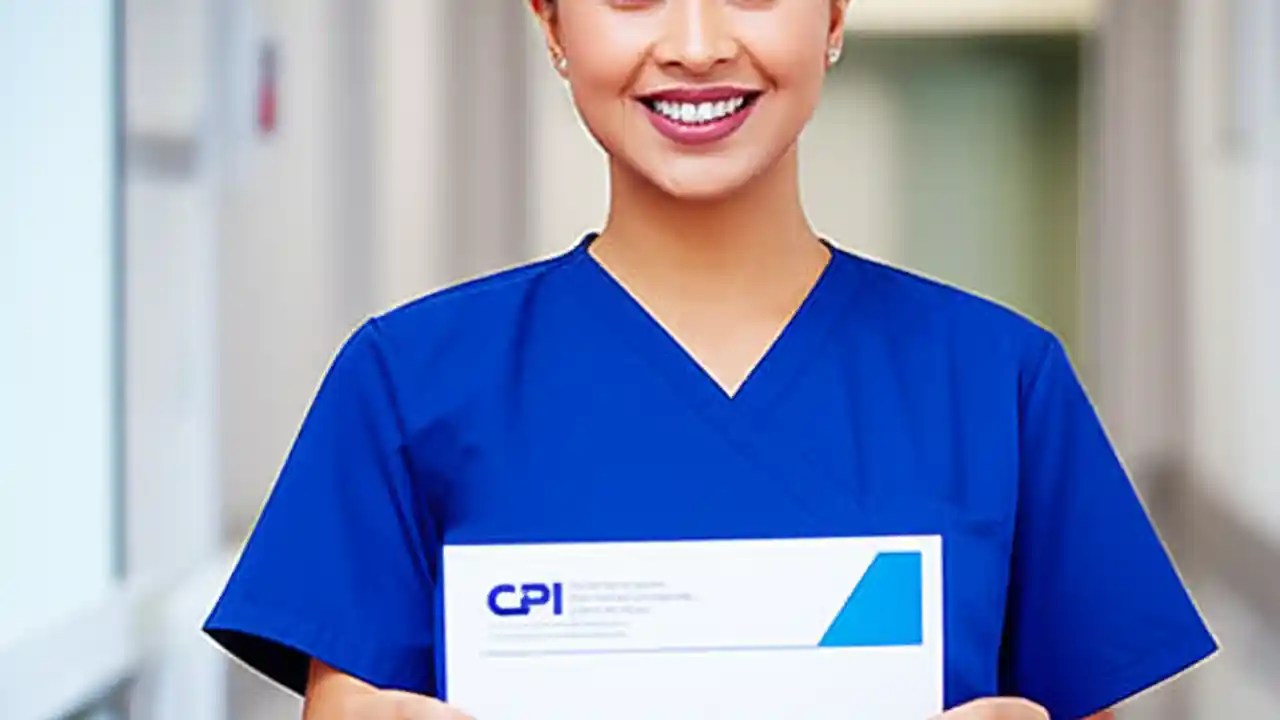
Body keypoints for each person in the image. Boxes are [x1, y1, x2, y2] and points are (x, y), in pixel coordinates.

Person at [203, 1, 1218, 718]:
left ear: (831, 16)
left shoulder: (998, 385)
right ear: (550, 22)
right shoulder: (404, 384)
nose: (694, 44)